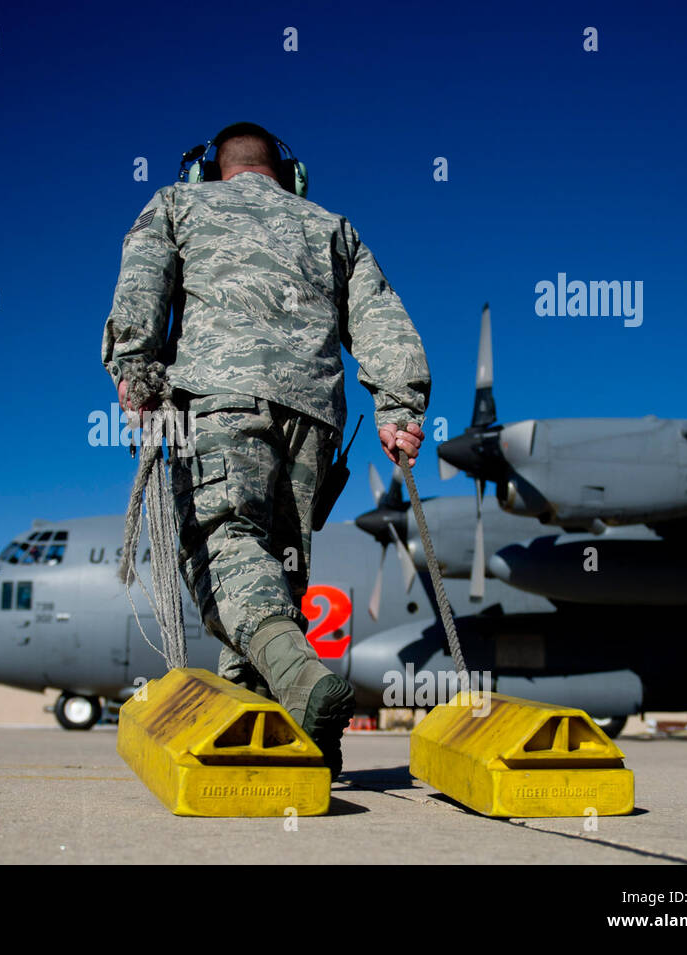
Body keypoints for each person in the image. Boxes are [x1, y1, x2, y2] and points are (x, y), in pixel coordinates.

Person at [101, 122, 430, 778]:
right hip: (315, 421)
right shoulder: (333, 226)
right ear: (290, 173)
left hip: (218, 399)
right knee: (277, 575)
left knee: (223, 554)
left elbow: (143, 282)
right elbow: (382, 317)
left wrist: (135, 368)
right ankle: (297, 742)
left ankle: (303, 684)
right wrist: (399, 408)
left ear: (208, 170)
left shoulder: (178, 203)